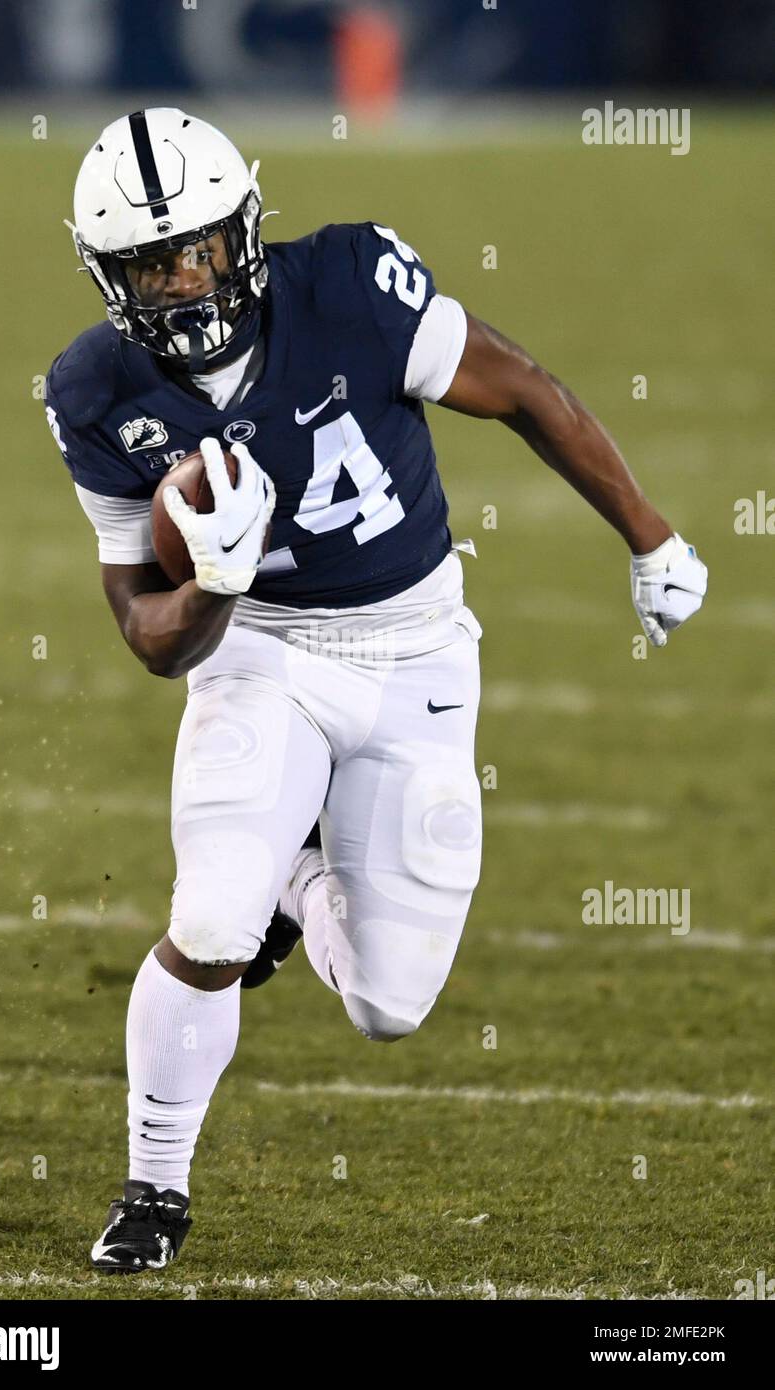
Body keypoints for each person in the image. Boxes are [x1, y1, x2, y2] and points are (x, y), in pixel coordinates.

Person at [44, 108, 708, 1273]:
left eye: (197, 246)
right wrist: (214, 585)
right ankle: (155, 1186)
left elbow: (526, 392)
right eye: (151, 262)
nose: (181, 280)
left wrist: (648, 537)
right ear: (108, 274)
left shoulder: (351, 283)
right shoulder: (98, 390)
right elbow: (150, 637)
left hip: (417, 654)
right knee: (207, 920)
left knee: (389, 1006)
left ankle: (297, 885)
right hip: (262, 655)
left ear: (244, 231)